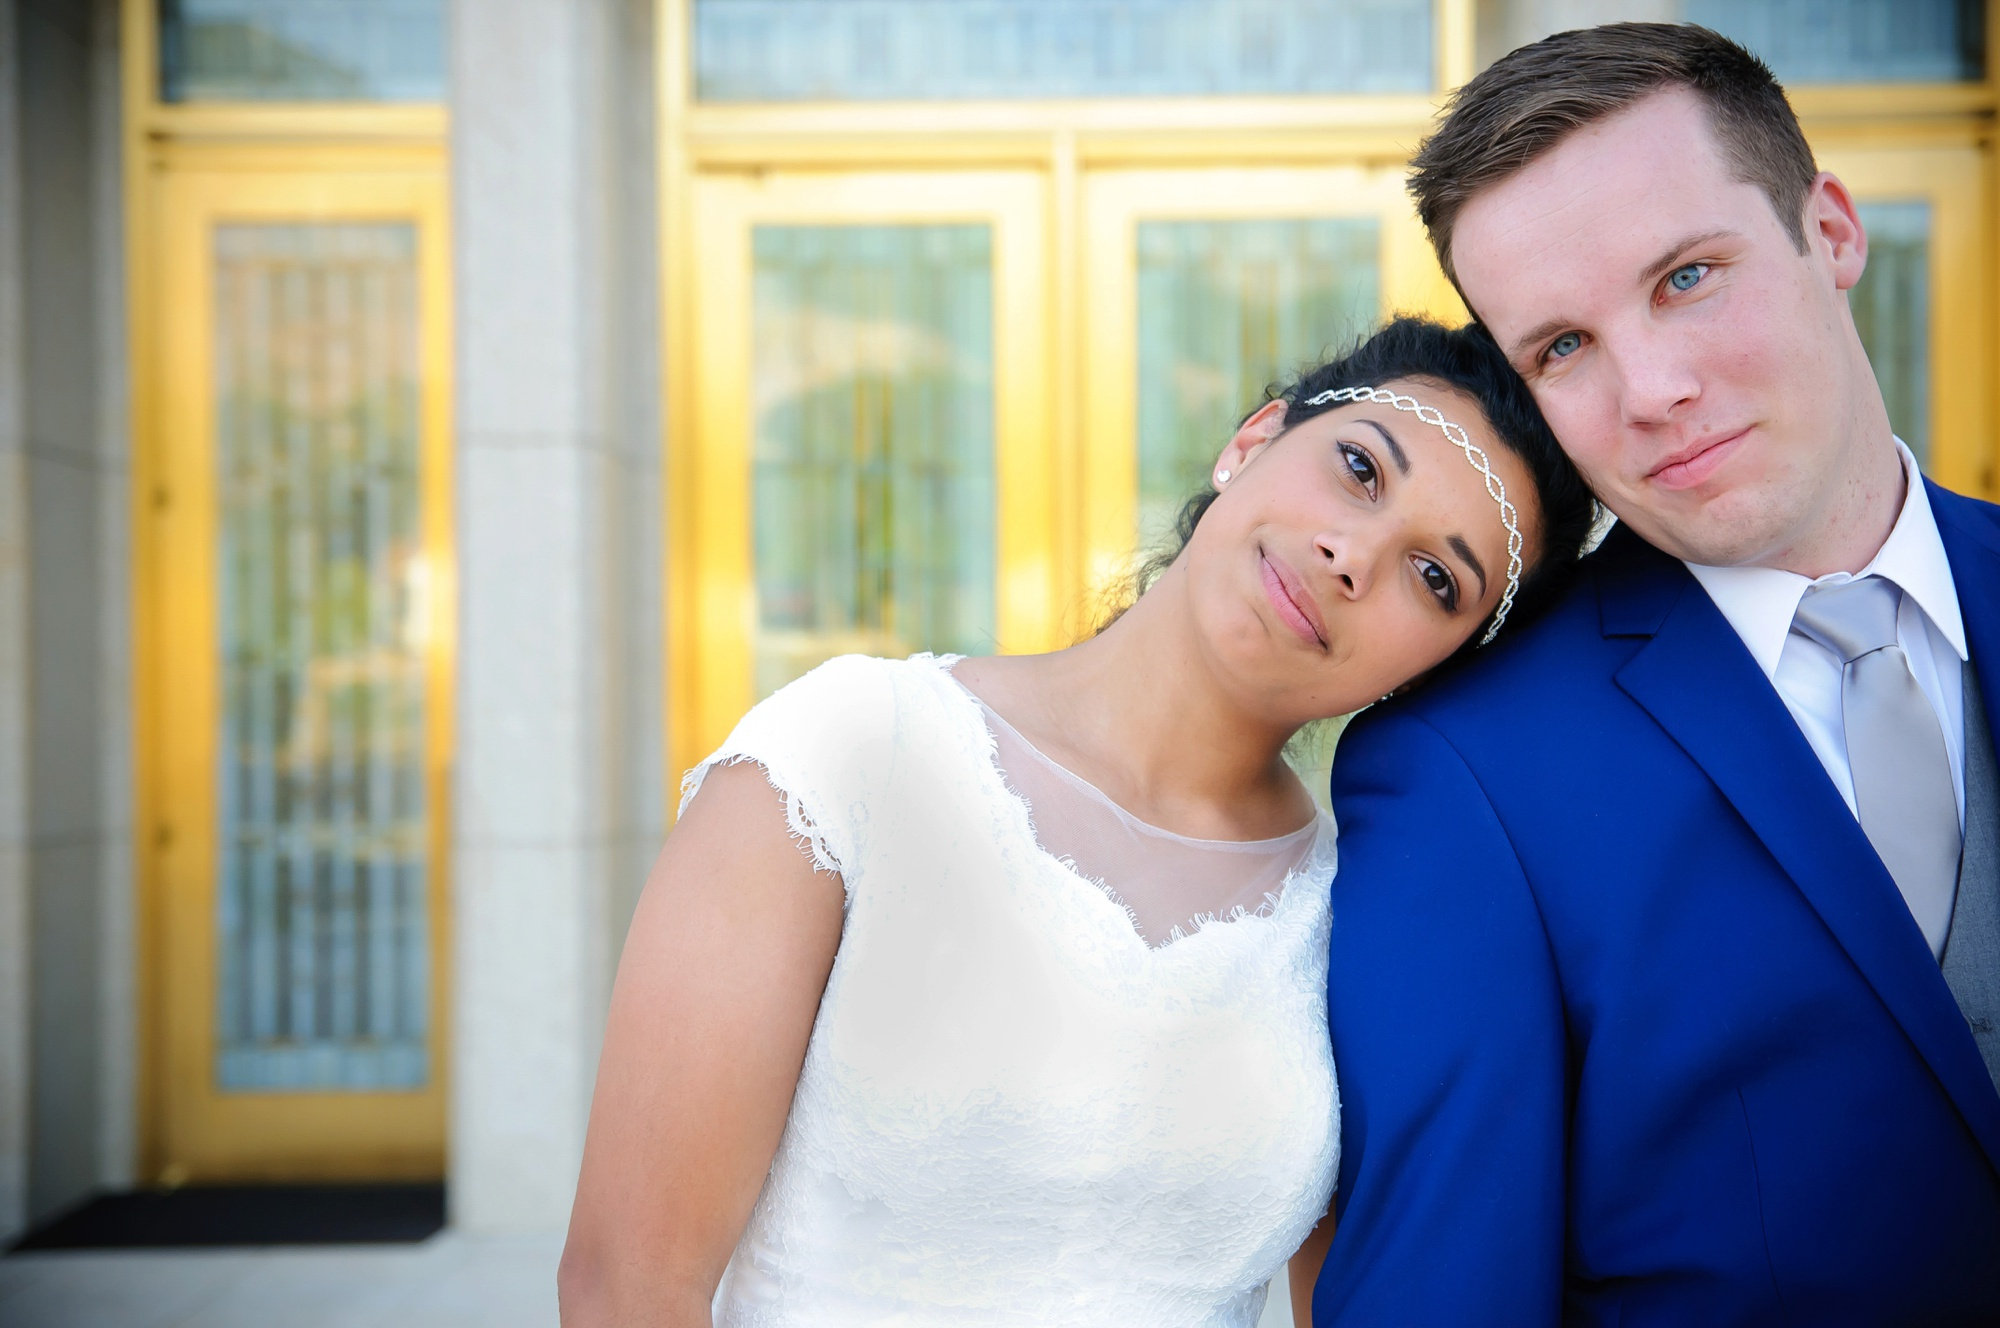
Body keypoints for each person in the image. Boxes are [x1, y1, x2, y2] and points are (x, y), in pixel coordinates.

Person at [557, 316, 1594, 1328]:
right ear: (1252, 442)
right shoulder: (850, 752)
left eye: (1434, 577)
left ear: (1438, 666)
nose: (1351, 555)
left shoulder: (1349, 917)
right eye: (1359, 469)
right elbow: (625, 1285)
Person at [1311, 23, 2000, 1326]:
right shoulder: (1463, 777)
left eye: (1686, 278)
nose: (1651, 389)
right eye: (1562, 347)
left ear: (1830, 232)